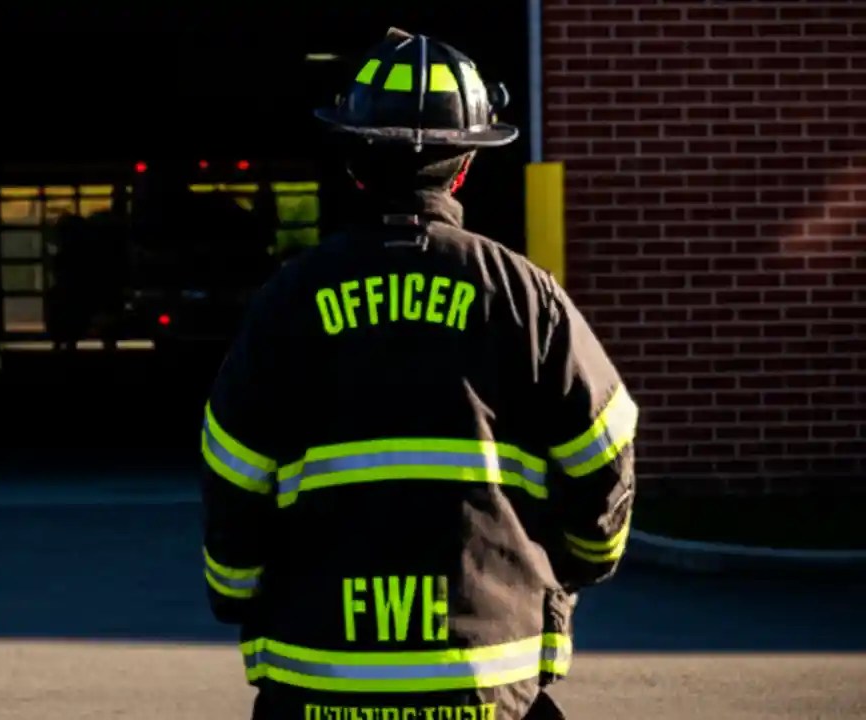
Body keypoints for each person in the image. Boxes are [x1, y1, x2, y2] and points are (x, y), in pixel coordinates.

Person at [198, 28, 637, 720]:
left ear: (354, 162)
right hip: (488, 691)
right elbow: (604, 453)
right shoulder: (527, 298)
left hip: (318, 690)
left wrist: (236, 590)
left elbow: (233, 472)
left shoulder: (286, 305)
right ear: (465, 165)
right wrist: (580, 560)